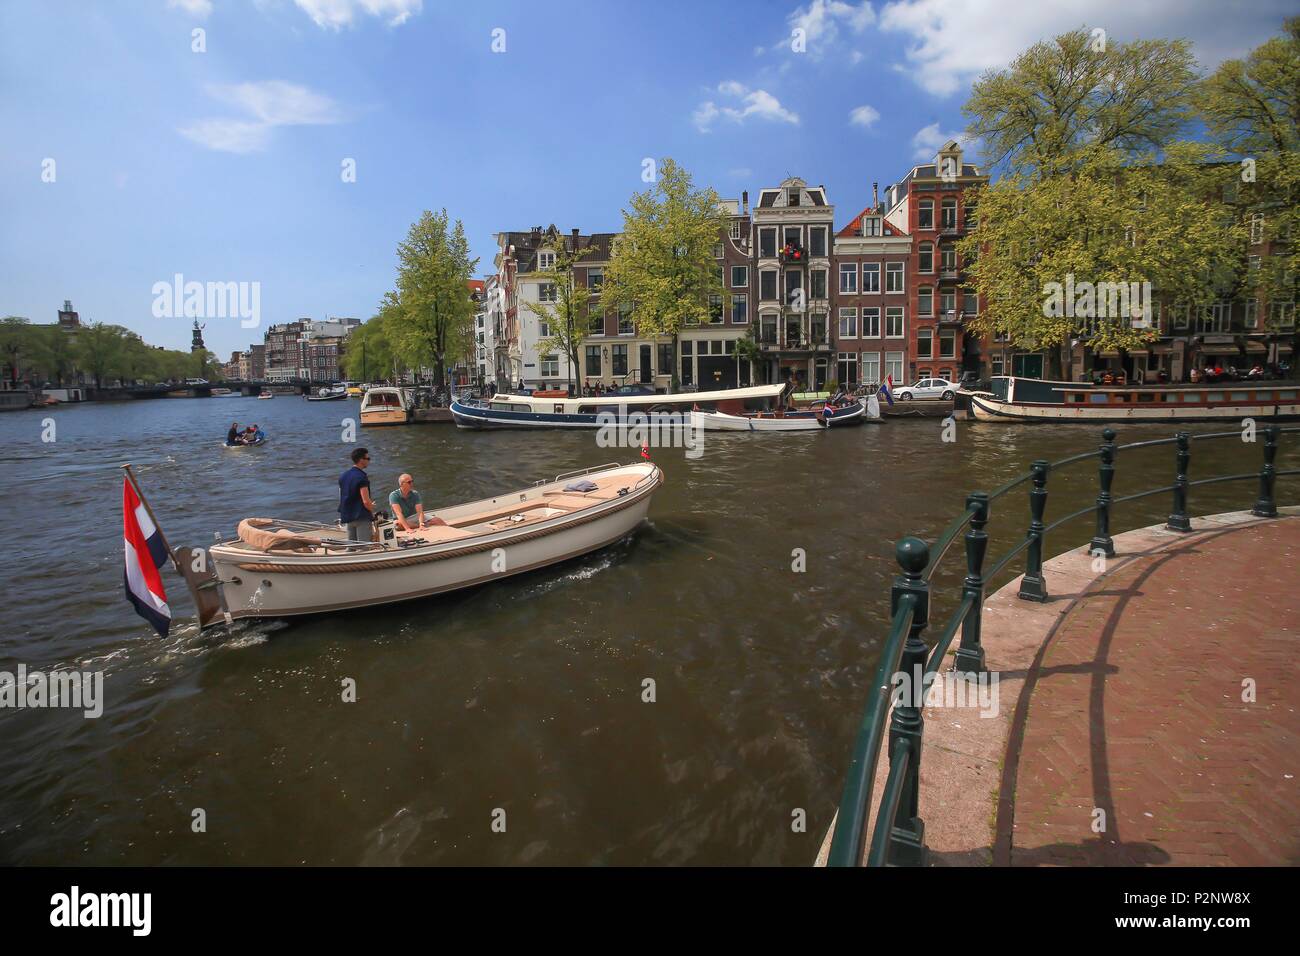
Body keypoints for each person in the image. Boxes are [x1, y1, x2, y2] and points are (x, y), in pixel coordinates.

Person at [338, 448, 376, 541]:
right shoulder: (362, 477)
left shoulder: (343, 476)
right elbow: (366, 501)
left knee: (352, 547)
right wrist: (372, 508)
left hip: (348, 516)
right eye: (368, 458)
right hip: (361, 516)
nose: (369, 461)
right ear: (361, 460)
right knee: (364, 547)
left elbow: (342, 496)